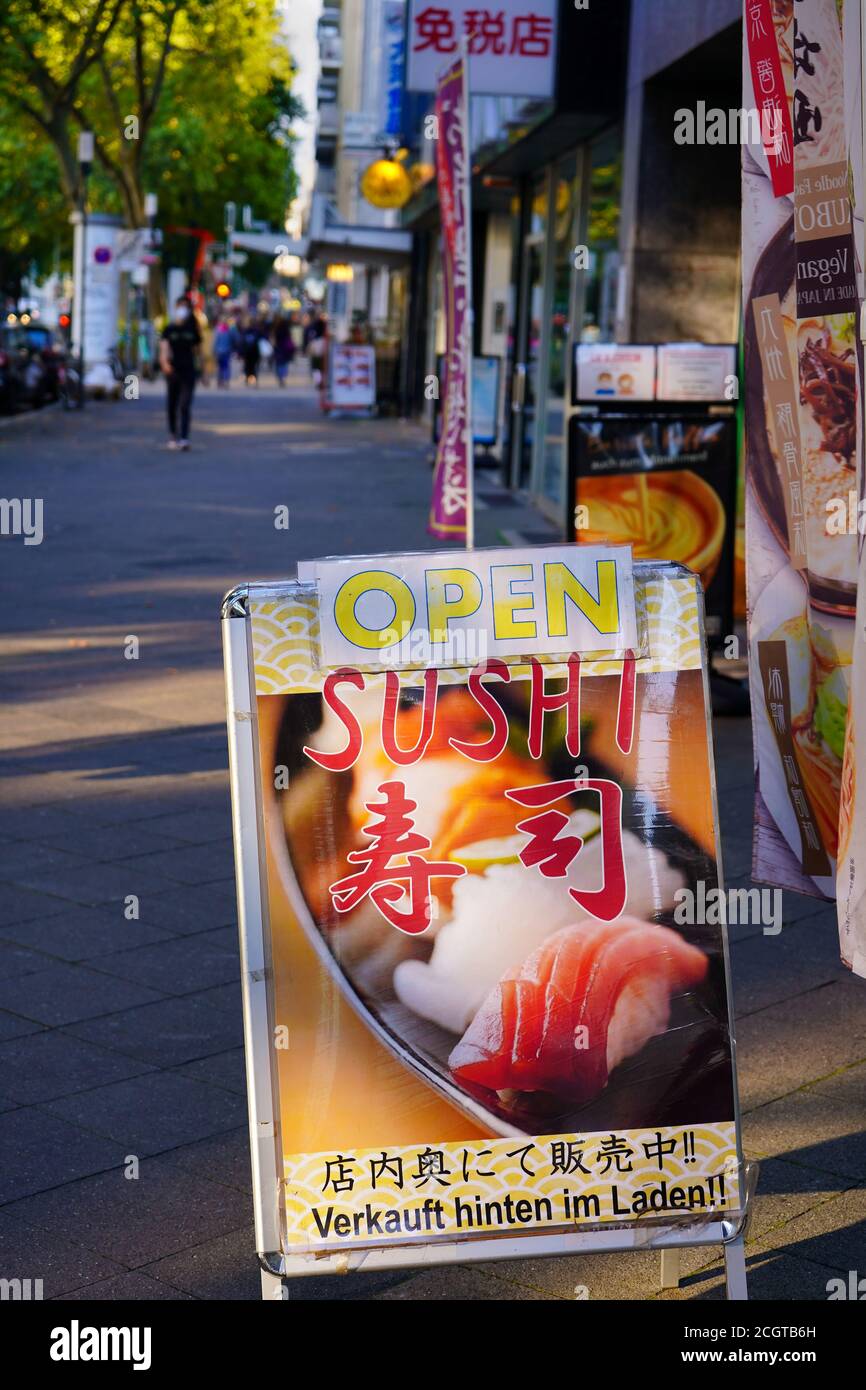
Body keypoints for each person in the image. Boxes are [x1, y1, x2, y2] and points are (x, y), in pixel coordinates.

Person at [159, 295, 200, 450]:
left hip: (188, 370)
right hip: (173, 371)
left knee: (185, 404)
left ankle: (184, 437)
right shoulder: (169, 329)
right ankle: (172, 434)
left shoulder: (193, 330)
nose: (183, 309)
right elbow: (163, 347)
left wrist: (204, 373)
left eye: (186, 306)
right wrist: (164, 362)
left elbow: (198, 351)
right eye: (180, 306)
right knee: (172, 404)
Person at [272, 316, 294, 386]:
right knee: (284, 363)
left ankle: (280, 376)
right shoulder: (286, 330)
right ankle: (283, 376)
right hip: (285, 348)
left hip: (278, 348)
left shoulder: (276, 329)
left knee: (279, 363)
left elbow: (274, 339)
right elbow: (290, 338)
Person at [240, 317, 261, 385]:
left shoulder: (246, 331)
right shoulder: (256, 331)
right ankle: (253, 378)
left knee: (248, 366)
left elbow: (242, 342)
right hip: (254, 352)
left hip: (249, 352)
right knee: (253, 366)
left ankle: (249, 378)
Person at [214, 317, 234, 387]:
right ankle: (226, 381)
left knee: (220, 367)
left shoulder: (218, 331)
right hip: (226, 352)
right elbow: (232, 341)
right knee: (226, 367)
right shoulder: (229, 331)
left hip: (219, 352)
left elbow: (215, 342)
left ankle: (220, 381)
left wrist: (214, 351)